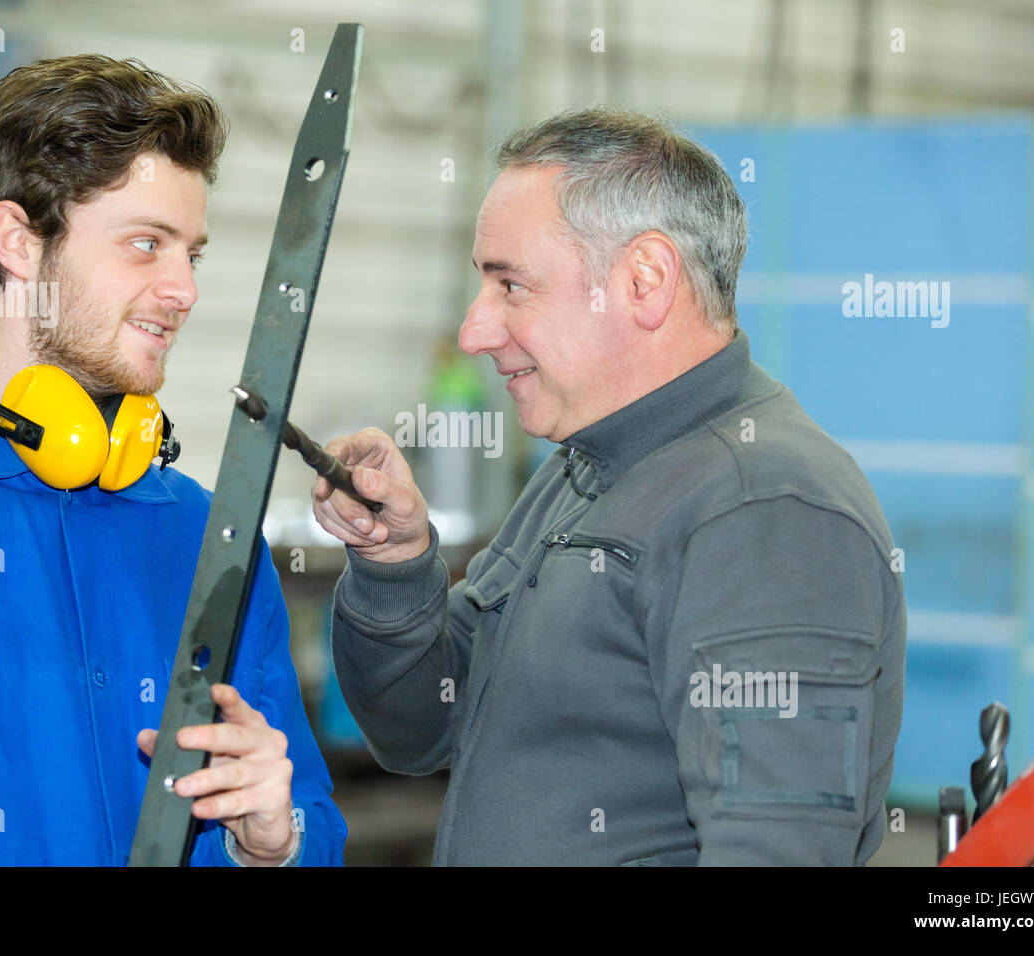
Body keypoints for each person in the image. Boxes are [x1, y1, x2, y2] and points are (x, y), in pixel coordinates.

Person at [312, 107, 905, 865]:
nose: (474, 331)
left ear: (645, 280)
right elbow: (422, 729)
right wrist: (396, 563)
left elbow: (774, 850)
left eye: (511, 286)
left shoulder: (762, 509)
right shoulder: (584, 470)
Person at [0, 54, 345, 866]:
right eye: (145, 244)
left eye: (190, 254)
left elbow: (311, 823)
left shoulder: (211, 536)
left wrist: (272, 843)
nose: (184, 289)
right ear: (17, 243)